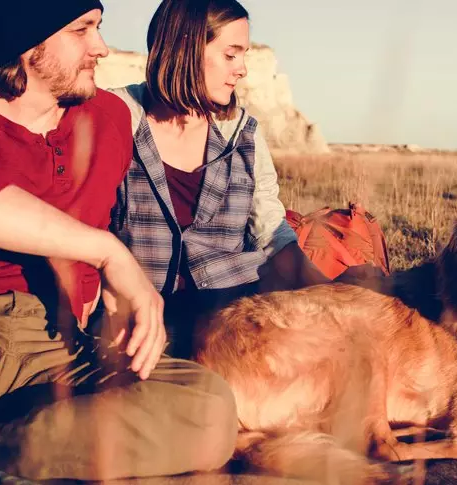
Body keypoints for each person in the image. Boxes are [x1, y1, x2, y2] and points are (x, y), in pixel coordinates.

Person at [0, 1, 237, 484]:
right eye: (82, 30)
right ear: (29, 42)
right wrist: (105, 251)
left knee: (206, 409)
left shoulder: (106, 118)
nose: (102, 48)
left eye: (99, 28)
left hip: (48, 341)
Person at [109, 0, 330, 359]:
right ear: (186, 48)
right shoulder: (118, 119)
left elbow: (271, 232)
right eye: (231, 55)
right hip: (138, 332)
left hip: (236, 325)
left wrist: (332, 293)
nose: (242, 70)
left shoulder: (243, 134)